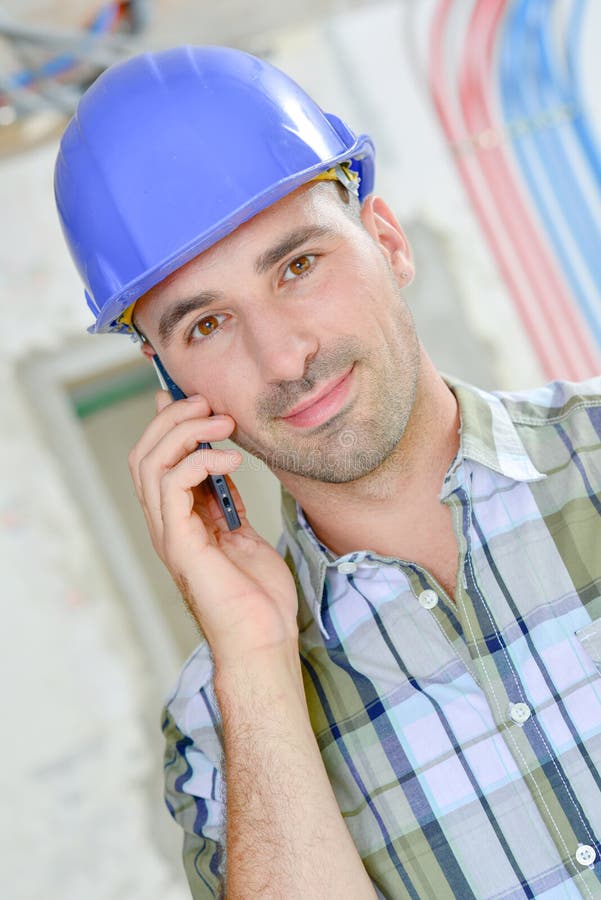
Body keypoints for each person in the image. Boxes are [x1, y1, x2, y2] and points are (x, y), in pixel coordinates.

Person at [54, 45, 601, 900]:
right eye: (206, 325)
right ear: (171, 387)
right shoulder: (220, 731)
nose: (283, 355)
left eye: (297, 266)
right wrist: (256, 656)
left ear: (386, 240)